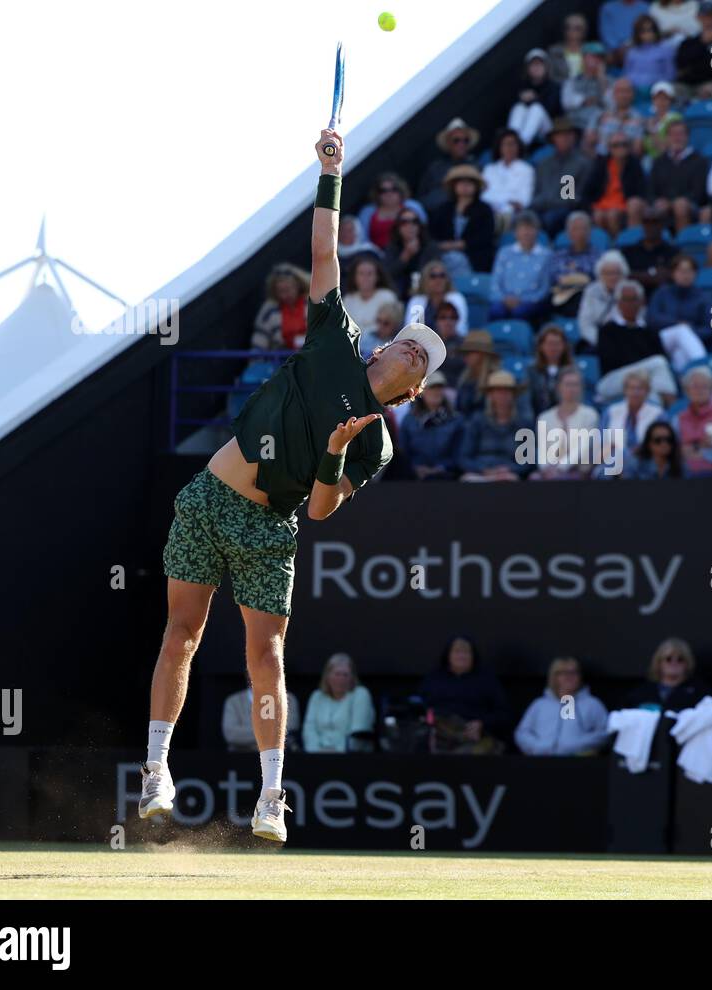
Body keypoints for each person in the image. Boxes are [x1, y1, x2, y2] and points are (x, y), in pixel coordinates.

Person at [141, 130, 446, 842]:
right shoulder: (335, 337)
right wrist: (330, 175)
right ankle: (156, 771)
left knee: (265, 657)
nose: (409, 344)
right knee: (181, 635)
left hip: (272, 526)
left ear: (413, 390)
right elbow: (323, 251)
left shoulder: (378, 443)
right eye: (408, 337)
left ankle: (271, 797)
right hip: (209, 498)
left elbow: (319, 507)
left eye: (421, 355)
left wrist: (335, 455)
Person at [417, 636, 512, 754]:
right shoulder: (434, 679)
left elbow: (504, 714)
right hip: (439, 735)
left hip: (474, 737)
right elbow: (421, 709)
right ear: (448, 655)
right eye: (457, 651)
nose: (461, 656)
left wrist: (482, 724)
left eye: (466, 652)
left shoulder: (487, 680)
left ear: (473, 656)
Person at [515, 657, 613, 756]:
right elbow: (522, 733)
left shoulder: (592, 704)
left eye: (574, 672)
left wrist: (577, 745)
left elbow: (605, 732)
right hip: (541, 761)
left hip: (579, 762)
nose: (569, 677)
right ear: (554, 676)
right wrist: (538, 746)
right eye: (564, 673)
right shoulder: (539, 705)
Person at [459, 369, 536, 481]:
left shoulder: (524, 424)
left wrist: (510, 469)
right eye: (498, 391)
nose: (502, 395)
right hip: (481, 474)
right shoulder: (477, 421)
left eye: (507, 391)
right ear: (490, 395)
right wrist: (484, 470)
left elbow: (529, 460)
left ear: (513, 395)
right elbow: (464, 457)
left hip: (510, 476)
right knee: (467, 479)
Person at [533, 368, 601, 479]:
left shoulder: (590, 415)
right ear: (559, 387)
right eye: (568, 384)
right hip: (550, 470)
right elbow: (541, 450)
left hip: (579, 472)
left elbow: (583, 448)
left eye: (575, 385)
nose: (571, 389)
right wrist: (545, 469)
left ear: (581, 388)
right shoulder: (544, 417)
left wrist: (561, 468)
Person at [429, 165, 496, 277]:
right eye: (461, 182)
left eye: (469, 183)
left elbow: (486, 235)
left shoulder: (484, 209)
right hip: (443, 253)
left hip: (474, 256)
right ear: (454, 186)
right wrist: (444, 245)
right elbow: (434, 232)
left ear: (476, 187)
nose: (465, 186)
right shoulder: (444, 208)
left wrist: (463, 244)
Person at [302, 653, 375, 754]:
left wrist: (336, 752)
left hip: (350, 758)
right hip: (317, 755)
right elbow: (309, 729)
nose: (341, 679)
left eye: (345, 675)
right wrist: (316, 751)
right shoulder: (317, 696)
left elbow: (359, 733)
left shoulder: (361, 694)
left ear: (352, 677)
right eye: (337, 674)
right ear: (327, 676)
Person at [398, 371, 465, 480]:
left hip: (448, 477)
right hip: (414, 478)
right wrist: (416, 468)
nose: (436, 392)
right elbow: (403, 452)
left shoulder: (456, 420)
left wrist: (442, 468)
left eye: (439, 387)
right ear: (422, 392)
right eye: (431, 387)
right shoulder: (409, 420)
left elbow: (459, 453)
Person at [531, 118, 593, 236]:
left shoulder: (581, 163)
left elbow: (569, 198)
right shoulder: (543, 165)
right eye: (560, 135)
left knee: (551, 218)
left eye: (568, 134)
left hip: (566, 210)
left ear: (574, 137)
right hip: (541, 207)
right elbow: (537, 193)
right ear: (553, 139)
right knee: (525, 218)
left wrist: (546, 201)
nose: (564, 138)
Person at [489, 211, 554, 321]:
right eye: (523, 228)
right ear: (515, 232)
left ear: (537, 232)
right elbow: (495, 283)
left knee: (520, 312)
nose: (526, 233)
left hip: (531, 302)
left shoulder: (546, 255)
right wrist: (504, 299)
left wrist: (522, 300)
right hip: (504, 300)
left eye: (530, 228)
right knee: (496, 311)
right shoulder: (504, 253)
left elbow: (544, 289)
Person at [648, 118, 709, 233]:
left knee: (680, 205)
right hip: (663, 207)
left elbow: (699, 193)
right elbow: (650, 190)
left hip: (691, 206)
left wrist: (671, 203)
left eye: (680, 134)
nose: (677, 138)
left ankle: (683, 245)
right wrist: (656, 201)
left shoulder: (699, 161)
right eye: (673, 134)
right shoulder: (659, 161)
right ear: (667, 138)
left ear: (687, 137)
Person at [672, 364, 712, 476]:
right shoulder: (678, 418)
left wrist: (694, 451)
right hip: (684, 470)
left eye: (704, 386)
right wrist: (700, 446)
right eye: (695, 386)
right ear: (687, 390)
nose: (699, 391)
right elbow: (674, 447)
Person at [648, 253, 712, 351]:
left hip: (689, 342)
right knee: (681, 330)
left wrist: (689, 331)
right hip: (662, 342)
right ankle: (701, 362)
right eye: (681, 271)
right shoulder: (661, 293)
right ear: (672, 273)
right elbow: (652, 318)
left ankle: (694, 364)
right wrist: (678, 323)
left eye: (689, 271)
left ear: (695, 274)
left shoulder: (704, 297)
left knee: (681, 347)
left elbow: (710, 329)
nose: (685, 275)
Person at [584, 134, 648, 237]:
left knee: (612, 215)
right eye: (616, 145)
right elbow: (588, 189)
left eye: (624, 145)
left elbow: (641, 189)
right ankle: (604, 244)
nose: (620, 148)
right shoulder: (601, 164)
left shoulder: (634, 164)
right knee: (598, 216)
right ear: (609, 148)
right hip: (603, 202)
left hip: (624, 202)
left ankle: (619, 243)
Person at [625, 638, 710, 710]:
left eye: (680, 659)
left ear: (687, 663)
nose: (674, 663)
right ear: (659, 663)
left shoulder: (699, 692)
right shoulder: (642, 692)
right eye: (668, 659)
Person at [418, 118, 481, 213]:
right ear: (448, 143)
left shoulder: (476, 166)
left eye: (465, 140)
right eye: (456, 140)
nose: (461, 144)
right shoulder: (435, 168)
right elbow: (422, 198)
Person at [549, 211, 602, 317]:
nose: (579, 233)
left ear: (590, 232)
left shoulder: (599, 256)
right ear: (568, 233)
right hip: (561, 296)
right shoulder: (558, 256)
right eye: (575, 229)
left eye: (583, 229)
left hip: (586, 297)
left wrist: (572, 279)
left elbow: (596, 280)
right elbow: (554, 278)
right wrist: (579, 278)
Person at [381, 207, 442, 298]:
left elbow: (432, 272)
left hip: (424, 294)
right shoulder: (392, 247)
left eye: (414, 222)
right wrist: (405, 256)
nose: (410, 226)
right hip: (397, 295)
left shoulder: (430, 247)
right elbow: (386, 274)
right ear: (398, 227)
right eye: (404, 222)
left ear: (419, 226)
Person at [358, 173, 427, 252]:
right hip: (379, 258)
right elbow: (362, 241)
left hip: (415, 250)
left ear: (400, 191)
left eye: (394, 189)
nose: (389, 194)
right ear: (377, 194)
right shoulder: (367, 212)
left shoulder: (412, 206)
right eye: (383, 191)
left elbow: (424, 231)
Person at [508, 49, 562, 148]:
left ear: (546, 67)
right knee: (519, 107)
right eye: (533, 65)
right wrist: (522, 99)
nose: (536, 68)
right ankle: (511, 142)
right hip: (526, 128)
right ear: (527, 68)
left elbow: (551, 109)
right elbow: (510, 107)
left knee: (536, 109)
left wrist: (535, 99)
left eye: (540, 64)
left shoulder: (553, 86)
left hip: (548, 130)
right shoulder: (522, 85)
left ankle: (520, 147)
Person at [577, 250, 631, 349]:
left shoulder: (630, 291)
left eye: (616, 273)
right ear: (600, 274)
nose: (612, 277)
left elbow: (637, 321)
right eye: (607, 273)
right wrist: (602, 342)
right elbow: (585, 324)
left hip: (625, 343)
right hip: (597, 342)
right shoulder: (591, 291)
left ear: (623, 274)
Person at [482, 129, 537, 226]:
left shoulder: (527, 170)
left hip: (513, 214)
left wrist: (500, 201)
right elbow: (484, 196)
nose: (509, 148)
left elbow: (524, 199)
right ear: (499, 147)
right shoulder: (489, 169)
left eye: (512, 144)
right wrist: (507, 200)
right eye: (505, 144)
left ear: (518, 146)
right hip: (489, 212)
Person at [605, 369, 666, 454]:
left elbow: (661, 443)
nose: (635, 392)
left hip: (647, 459)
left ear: (647, 391)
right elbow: (602, 443)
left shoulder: (658, 414)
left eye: (640, 388)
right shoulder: (611, 411)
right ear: (625, 390)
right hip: (615, 459)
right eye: (631, 388)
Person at [251, 264, 310, 351]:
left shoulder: (313, 302)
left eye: (288, 289)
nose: (285, 296)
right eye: (281, 291)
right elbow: (260, 341)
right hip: (281, 359)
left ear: (298, 285)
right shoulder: (269, 310)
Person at [589, 76, 648, 158]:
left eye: (627, 91)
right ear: (614, 94)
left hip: (627, 162)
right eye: (620, 91)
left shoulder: (639, 118)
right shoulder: (599, 115)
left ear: (633, 94)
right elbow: (588, 142)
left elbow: (637, 149)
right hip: (602, 160)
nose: (624, 95)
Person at [405, 260, 469, 334]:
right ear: (425, 280)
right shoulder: (416, 301)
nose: (438, 280)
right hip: (421, 343)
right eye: (433, 276)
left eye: (442, 276)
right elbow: (409, 330)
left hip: (451, 343)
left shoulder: (457, 299)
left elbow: (461, 329)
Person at [561, 41, 611, 133]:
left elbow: (612, 105)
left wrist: (602, 80)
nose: (597, 60)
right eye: (593, 56)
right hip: (574, 124)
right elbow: (566, 102)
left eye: (600, 58)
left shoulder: (608, 81)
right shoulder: (573, 80)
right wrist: (585, 100)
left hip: (598, 126)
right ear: (583, 58)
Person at [529, 323, 576, 415]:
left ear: (564, 346)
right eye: (550, 344)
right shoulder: (531, 371)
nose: (553, 348)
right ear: (541, 346)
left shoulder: (572, 371)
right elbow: (528, 402)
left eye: (557, 344)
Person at [455, 330, 506, 417]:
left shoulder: (495, 379)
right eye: (465, 353)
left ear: (483, 354)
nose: (466, 356)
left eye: (470, 352)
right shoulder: (464, 378)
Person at [342, 256, 399, 332]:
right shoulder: (348, 300)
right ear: (354, 277)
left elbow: (389, 328)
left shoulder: (387, 297)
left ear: (377, 277)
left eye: (370, 273)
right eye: (361, 273)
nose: (365, 277)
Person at [624, 14, 678, 93]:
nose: (647, 34)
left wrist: (653, 83)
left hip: (658, 91)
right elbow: (626, 74)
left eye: (650, 30)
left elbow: (671, 75)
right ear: (637, 33)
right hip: (635, 91)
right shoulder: (632, 52)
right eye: (643, 31)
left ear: (656, 30)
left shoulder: (666, 49)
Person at [642, 80, 683, 159]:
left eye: (665, 98)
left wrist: (651, 131)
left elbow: (666, 148)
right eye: (658, 98)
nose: (661, 102)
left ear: (670, 100)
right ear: (653, 100)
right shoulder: (649, 118)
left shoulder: (675, 118)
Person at [549, 13, 590, 82]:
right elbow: (551, 77)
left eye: (577, 28)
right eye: (568, 27)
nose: (572, 31)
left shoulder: (591, 51)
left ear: (584, 32)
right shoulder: (554, 52)